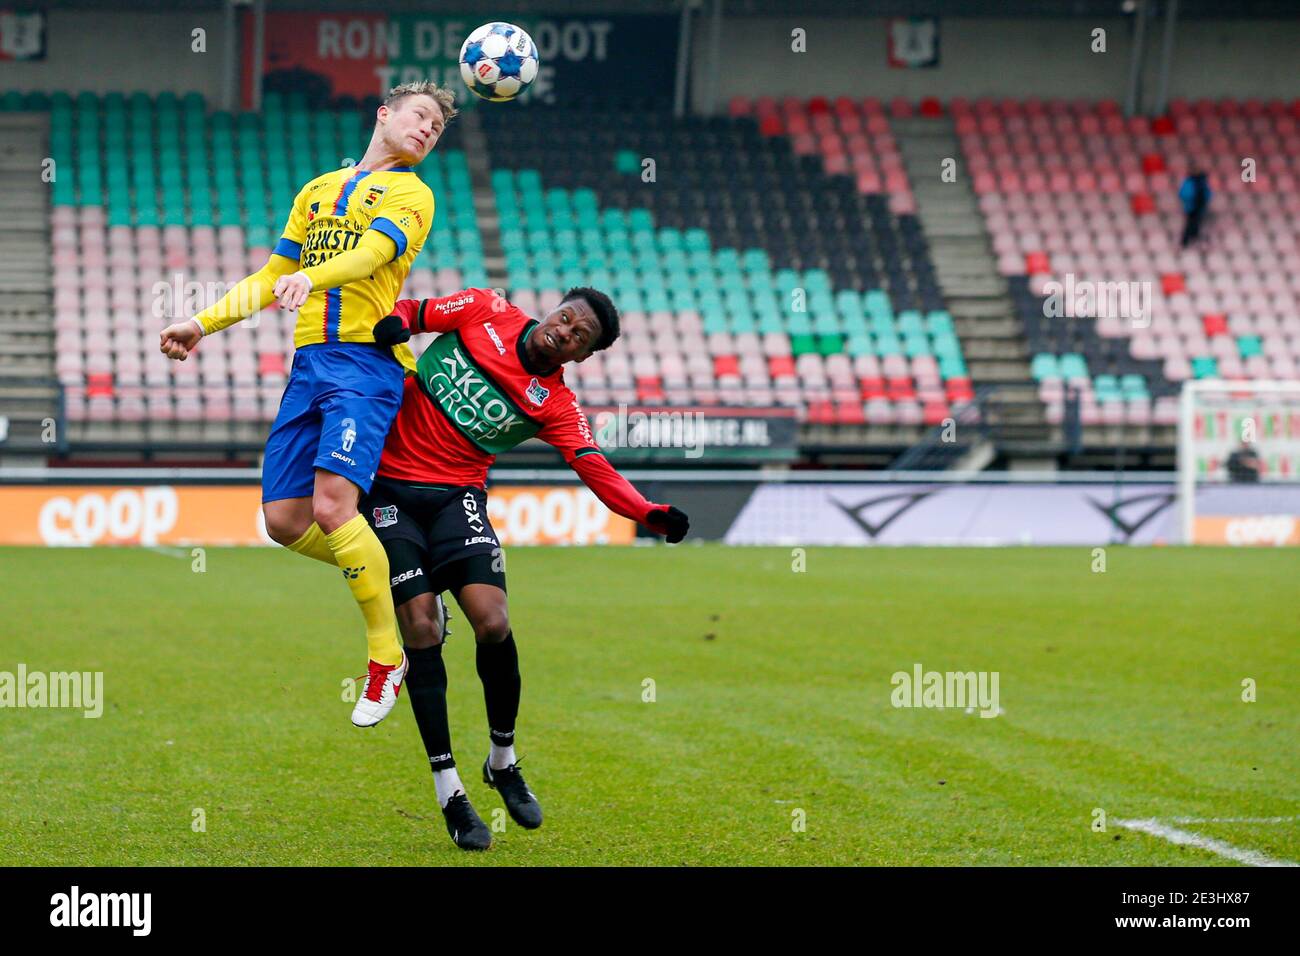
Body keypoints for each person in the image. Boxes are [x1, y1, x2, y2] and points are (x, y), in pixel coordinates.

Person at [158, 81, 456, 728]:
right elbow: (271, 277)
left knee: (331, 505)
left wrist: (311, 277)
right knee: (286, 520)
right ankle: (409, 580)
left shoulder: (412, 193)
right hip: (309, 366)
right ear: (384, 114)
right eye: (421, 115)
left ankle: (387, 657)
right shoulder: (317, 191)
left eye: (437, 127)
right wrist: (200, 325)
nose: (429, 129)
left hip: (365, 366)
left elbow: (375, 252)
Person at [359, 287, 690, 850]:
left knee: (492, 621)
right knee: (421, 627)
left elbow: (594, 466)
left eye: (579, 336)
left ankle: (502, 760)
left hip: (456, 496)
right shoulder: (485, 308)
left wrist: (647, 513)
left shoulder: (554, 405)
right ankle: (450, 791)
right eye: (566, 318)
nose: (565, 331)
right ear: (553, 310)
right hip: (388, 487)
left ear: (583, 357)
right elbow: (412, 312)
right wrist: (393, 325)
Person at [1179, 169, 1211, 248]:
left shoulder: (1201, 183)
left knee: (1195, 223)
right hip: (1192, 207)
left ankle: (1192, 238)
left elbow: (1208, 194)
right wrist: (1190, 202)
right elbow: (1184, 194)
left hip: (1198, 207)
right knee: (1191, 223)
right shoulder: (1191, 182)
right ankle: (1187, 241)